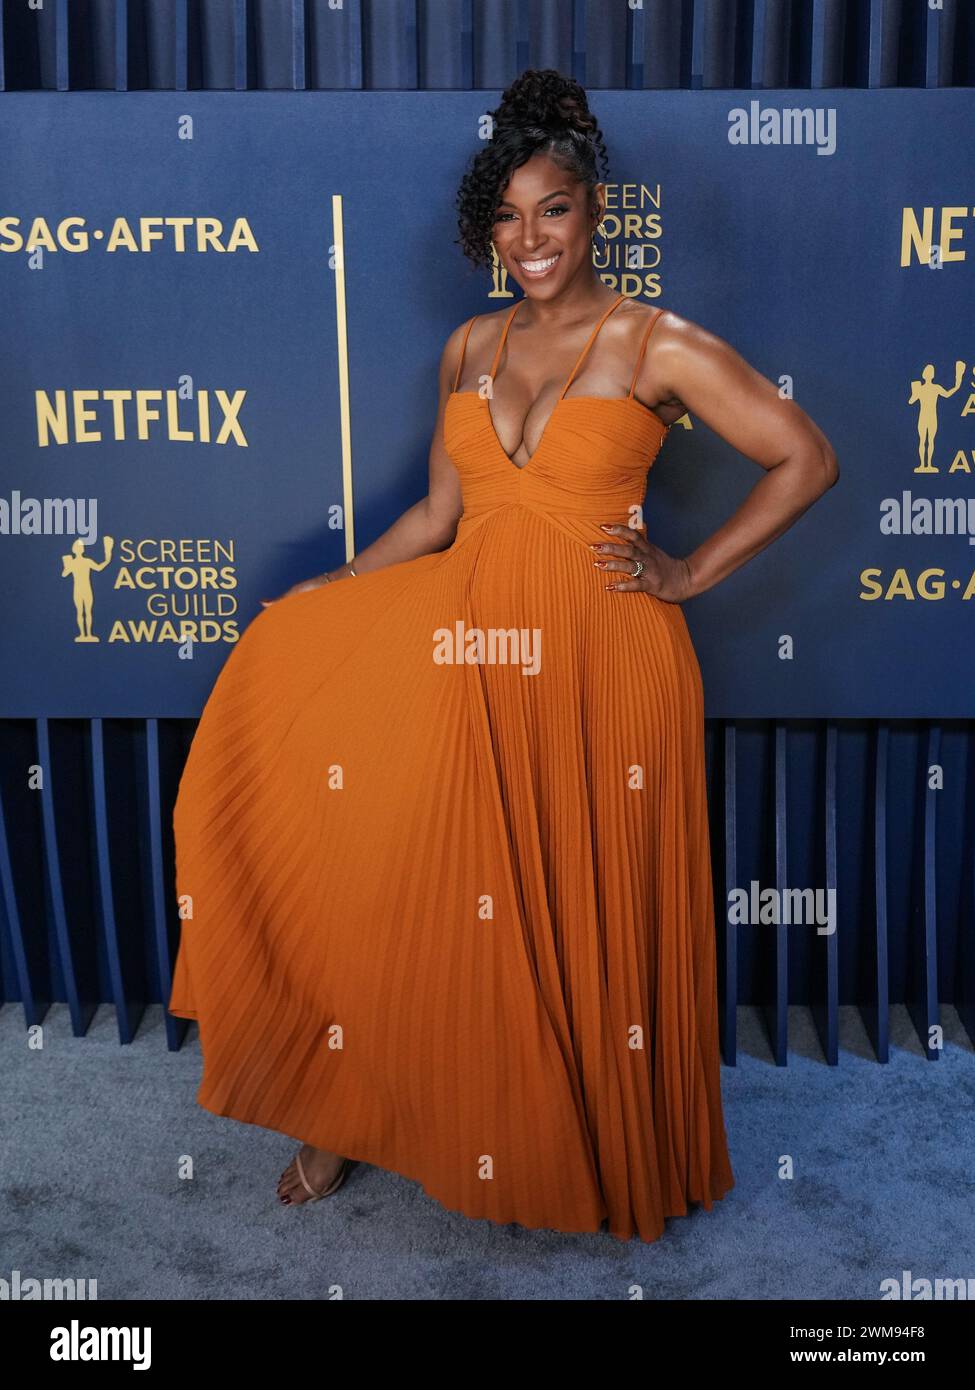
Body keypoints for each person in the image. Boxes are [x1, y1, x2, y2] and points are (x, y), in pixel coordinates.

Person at [168, 68, 838, 1243]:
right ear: (489, 230)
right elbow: (437, 519)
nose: (532, 237)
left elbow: (804, 457)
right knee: (401, 879)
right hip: (468, 656)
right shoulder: (468, 345)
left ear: (594, 214)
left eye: (556, 210)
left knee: (585, 915)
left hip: (604, 665)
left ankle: (588, 1142)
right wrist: (318, 596)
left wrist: (686, 575)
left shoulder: (655, 342)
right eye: (510, 216)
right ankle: (348, 1103)